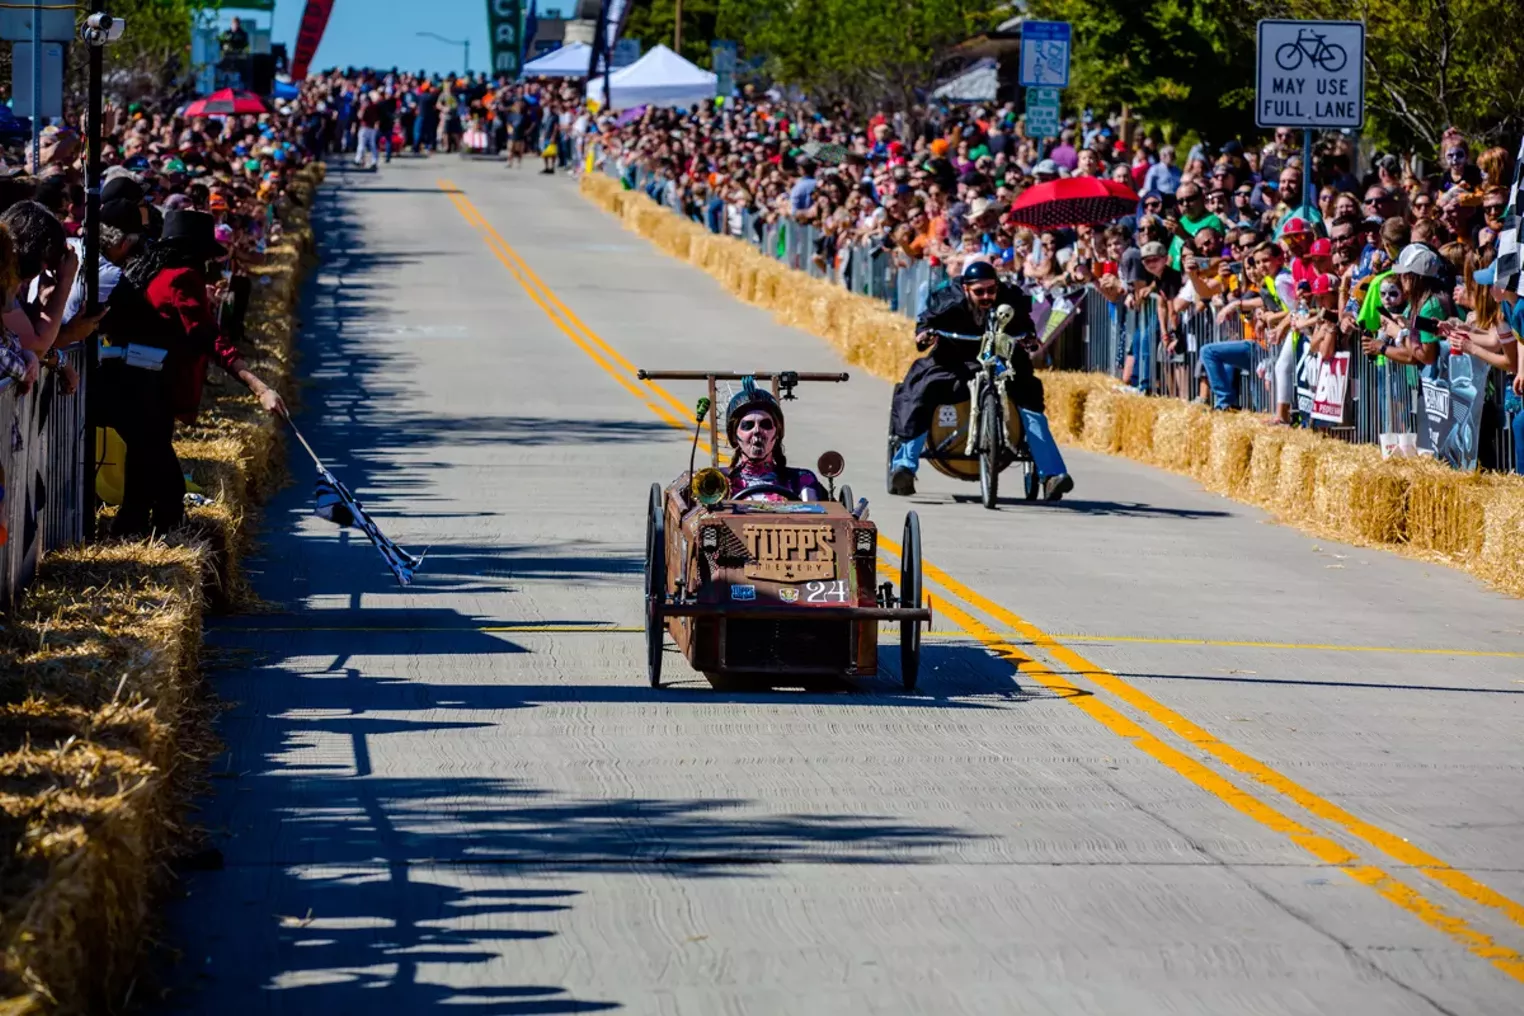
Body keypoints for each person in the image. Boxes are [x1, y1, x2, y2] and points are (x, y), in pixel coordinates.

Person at [100, 210, 287, 536]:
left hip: (133, 380)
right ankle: (161, 528)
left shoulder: (153, 272)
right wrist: (258, 386)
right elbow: (209, 338)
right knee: (165, 476)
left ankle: (133, 525)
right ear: (194, 252)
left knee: (145, 460)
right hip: (149, 385)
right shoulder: (184, 277)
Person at [888, 260, 1073, 499]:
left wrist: (1028, 337)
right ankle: (904, 467)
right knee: (921, 391)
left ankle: (1052, 475)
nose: (987, 296)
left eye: (991, 290)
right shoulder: (949, 299)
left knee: (1030, 403)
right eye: (979, 292)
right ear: (966, 289)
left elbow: (1025, 326)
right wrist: (924, 334)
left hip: (1002, 360)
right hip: (955, 360)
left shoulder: (1010, 298)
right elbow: (927, 322)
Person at [721, 382, 825, 501]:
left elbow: (813, 512)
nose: (757, 430)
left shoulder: (800, 480)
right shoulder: (721, 482)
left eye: (765, 424)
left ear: (777, 433)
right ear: (735, 436)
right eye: (748, 425)